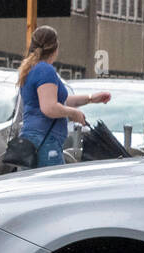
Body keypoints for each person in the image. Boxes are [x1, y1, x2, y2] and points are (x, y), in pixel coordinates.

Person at [16, 25, 110, 168]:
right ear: (56, 47)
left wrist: (91, 98)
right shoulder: (45, 70)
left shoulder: (31, 69)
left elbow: (59, 101)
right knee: (52, 187)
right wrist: (74, 113)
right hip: (45, 142)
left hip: (32, 141)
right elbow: (49, 107)